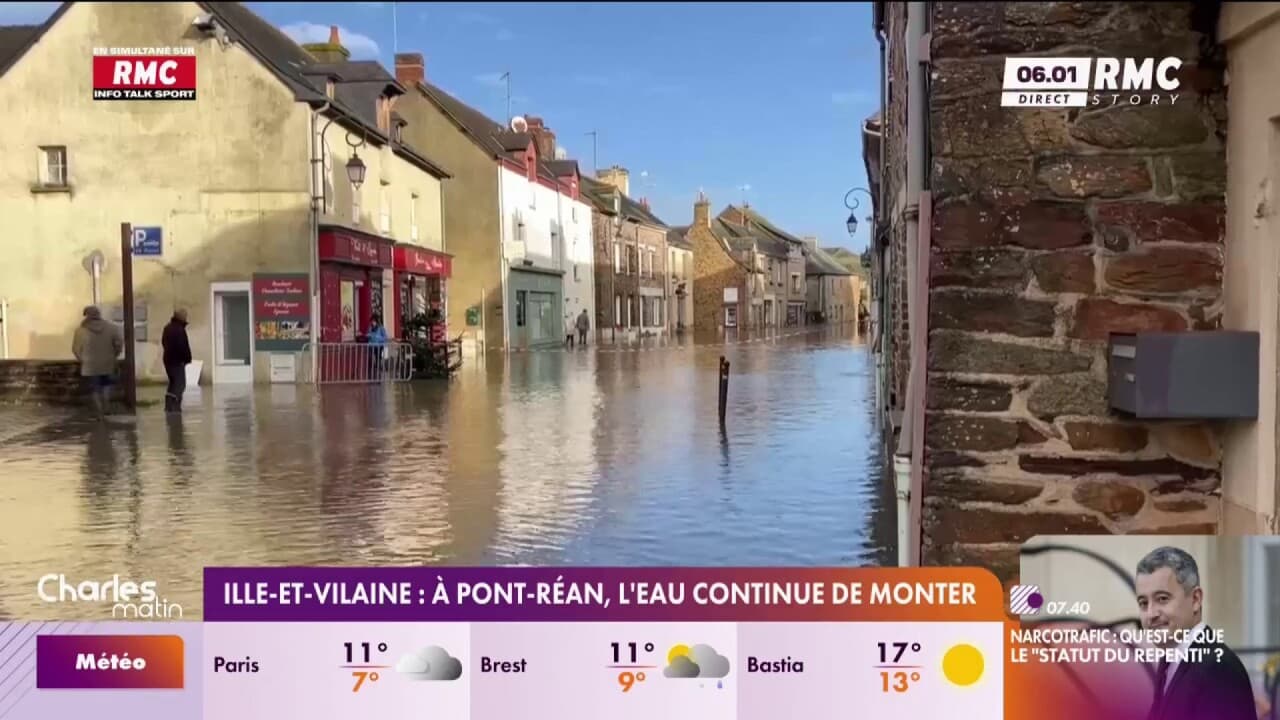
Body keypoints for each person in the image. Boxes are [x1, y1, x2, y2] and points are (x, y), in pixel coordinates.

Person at [1137, 546, 1256, 720]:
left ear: (1195, 599)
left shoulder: (1217, 669)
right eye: (1143, 603)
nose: (1151, 614)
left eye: (1162, 599)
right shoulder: (1170, 664)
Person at [71, 305, 123, 420]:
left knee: (94, 389)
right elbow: (119, 344)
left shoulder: (80, 331)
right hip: (107, 362)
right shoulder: (112, 328)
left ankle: (99, 412)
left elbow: (75, 349)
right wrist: (114, 355)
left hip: (90, 366)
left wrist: (82, 360)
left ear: (87, 316)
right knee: (106, 385)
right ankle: (106, 406)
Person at [161, 309, 192, 413]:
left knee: (173, 383)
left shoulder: (167, 328)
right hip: (177, 361)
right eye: (185, 316)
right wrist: (187, 358)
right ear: (181, 317)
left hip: (168, 360)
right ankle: (174, 407)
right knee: (180, 384)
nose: (186, 317)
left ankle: (168, 406)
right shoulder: (179, 330)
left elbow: (164, 342)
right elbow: (182, 346)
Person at [367, 314, 387, 380]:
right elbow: (369, 335)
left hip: (379, 346)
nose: (373, 323)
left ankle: (378, 372)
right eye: (372, 321)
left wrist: (378, 338)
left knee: (378, 358)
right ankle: (371, 371)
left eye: (374, 321)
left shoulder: (381, 328)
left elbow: (385, 337)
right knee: (370, 358)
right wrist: (368, 336)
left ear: (377, 321)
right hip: (371, 345)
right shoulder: (370, 328)